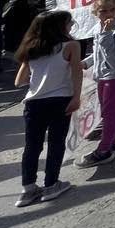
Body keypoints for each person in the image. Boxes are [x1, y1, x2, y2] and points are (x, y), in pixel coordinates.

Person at [13, 11, 81, 207]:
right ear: (61, 26)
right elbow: (76, 73)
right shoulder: (71, 46)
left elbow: (20, 81)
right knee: (56, 142)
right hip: (60, 99)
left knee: (32, 145)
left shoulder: (31, 49)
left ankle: (28, 188)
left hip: (34, 102)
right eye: (69, 23)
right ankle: (51, 184)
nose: (71, 26)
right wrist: (76, 97)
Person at [77, 0, 115, 167]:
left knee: (109, 112)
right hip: (103, 74)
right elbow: (99, 51)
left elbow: (112, 51)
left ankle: (104, 149)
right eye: (103, 11)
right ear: (96, 12)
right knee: (107, 110)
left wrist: (107, 32)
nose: (108, 14)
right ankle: (113, 142)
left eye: (112, 10)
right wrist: (86, 62)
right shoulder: (99, 27)